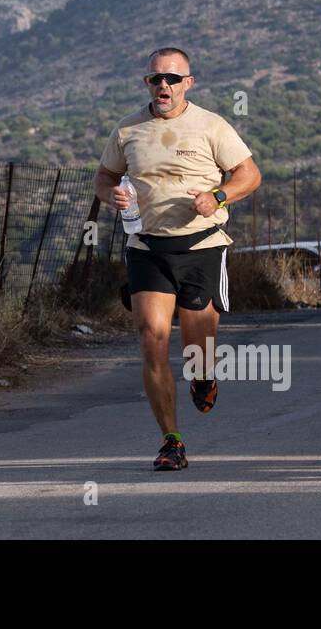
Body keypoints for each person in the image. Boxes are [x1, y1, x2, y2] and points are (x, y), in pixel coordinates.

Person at [94, 47, 261, 471]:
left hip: (202, 247)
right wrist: (109, 195)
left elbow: (249, 175)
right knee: (152, 338)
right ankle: (172, 441)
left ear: (189, 82)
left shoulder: (211, 126)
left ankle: (203, 376)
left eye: (171, 78)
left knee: (196, 351)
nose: (162, 86)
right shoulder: (128, 129)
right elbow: (104, 176)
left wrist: (218, 196)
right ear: (146, 83)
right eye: (155, 79)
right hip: (147, 247)